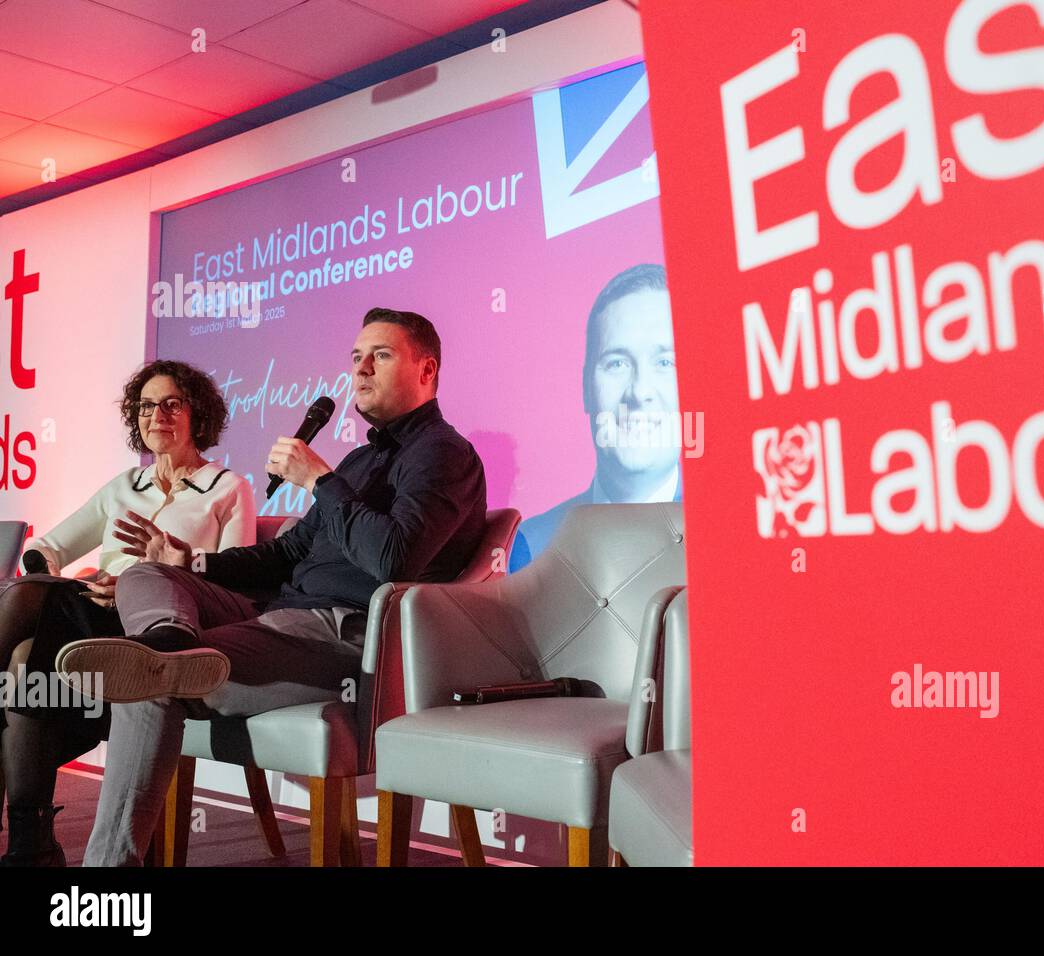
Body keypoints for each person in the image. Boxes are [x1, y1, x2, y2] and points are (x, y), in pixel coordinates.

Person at [57, 307, 487, 866]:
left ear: (426, 370)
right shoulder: (360, 460)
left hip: (344, 637)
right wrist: (196, 564)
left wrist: (321, 481)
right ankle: (167, 642)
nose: (360, 369)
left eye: (379, 355)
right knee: (149, 573)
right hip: (277, 618)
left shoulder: (443, 454)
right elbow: (286, 552)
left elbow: (394, 558)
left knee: (145, 679)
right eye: (356, 357)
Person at [0, 360, 255, 866]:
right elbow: (46, 549)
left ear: (196, 414)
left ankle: (34, 845)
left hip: (156, 631)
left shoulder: (227, 489)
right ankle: (30, 846)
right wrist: (79, 581)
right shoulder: (124, 486)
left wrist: (160, 571)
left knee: (29, 645)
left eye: (171, 404)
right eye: (145, 406)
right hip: (87, 617)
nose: (155, 415)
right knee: (27, 639)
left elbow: (236, 583)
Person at [510, 264, 681, 571]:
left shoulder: (735, 527)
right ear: (586, 387)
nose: (639, 391)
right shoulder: (533, 547)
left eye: (665, 362)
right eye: (616, 363)